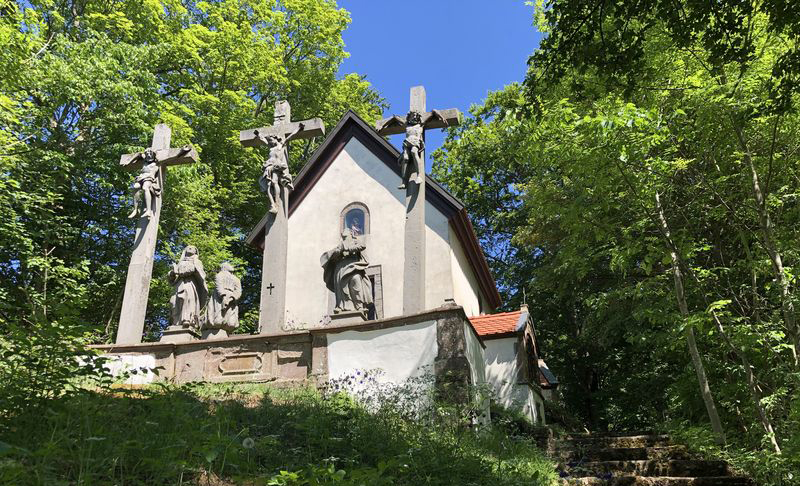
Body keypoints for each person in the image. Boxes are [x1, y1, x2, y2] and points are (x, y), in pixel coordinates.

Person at [255, 122, 304, 213]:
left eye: (271, 140)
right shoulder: (271, 148)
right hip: (268, 166)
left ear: (276, 139)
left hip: (276, 166)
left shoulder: (280, 145)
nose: (270, 142)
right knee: (269, 186)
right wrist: (258, 135)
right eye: (269, 141)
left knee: (274, 181)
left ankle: (277, 202)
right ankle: (272, 204)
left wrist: (298, 129)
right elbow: (263, 140)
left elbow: (290, 136)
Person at [320, 230, 373, 314]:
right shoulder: (340, 245)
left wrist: (347, 248)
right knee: (341, 286)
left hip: (353, 265)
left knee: (356, 280)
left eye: (346, 231)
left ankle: (358, 305)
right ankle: (341, 306)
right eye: (342, 233)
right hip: (341, 267)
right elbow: (332, 255)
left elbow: (362, 246)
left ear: (351, 234)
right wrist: (337, 252)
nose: (343, 233)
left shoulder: (355, 241)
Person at [168, 246, 208, 328]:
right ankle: (175, 322)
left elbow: (196, 271)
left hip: (189, 283)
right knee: (173, 302)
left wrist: (180, 272)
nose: (190, 248)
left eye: (193, 248)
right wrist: (172, 274)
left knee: (187, 300)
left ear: (196, 252)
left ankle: (187, 320)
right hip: (179, 284)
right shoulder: (180, 262)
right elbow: (173, 277)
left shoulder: (197, 262)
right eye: (188, 247)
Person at [128, 148, 161, 219]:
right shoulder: (144, 162)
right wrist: (129, 161)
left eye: (151, 154)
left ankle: (148, 210)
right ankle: (136, 210)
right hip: (141, 178)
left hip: (149, 178)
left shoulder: (157, 162)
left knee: (145, 188)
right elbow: (138, 155)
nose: (149, 155)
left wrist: (182, 151)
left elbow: (172, 156)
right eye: (147, 154)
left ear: (154, 155)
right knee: (135, 187)